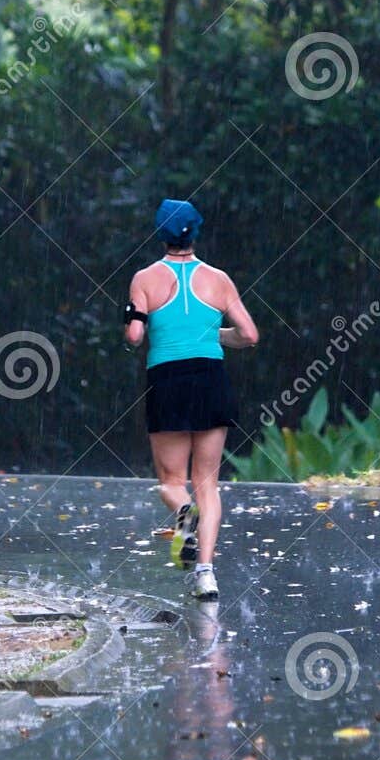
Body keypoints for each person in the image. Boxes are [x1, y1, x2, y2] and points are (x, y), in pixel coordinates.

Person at [124, 198, 259, 599]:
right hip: (210, 378)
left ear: (160, 233)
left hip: (168, 379)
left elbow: (134, 336)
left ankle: (185, 519)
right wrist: (216, 336)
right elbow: (249, 335)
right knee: (208, 484)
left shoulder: (144, 278)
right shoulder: (219, 279)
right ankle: (205, 572)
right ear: (196, 232)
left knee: (171, 482)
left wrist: (137, 325)